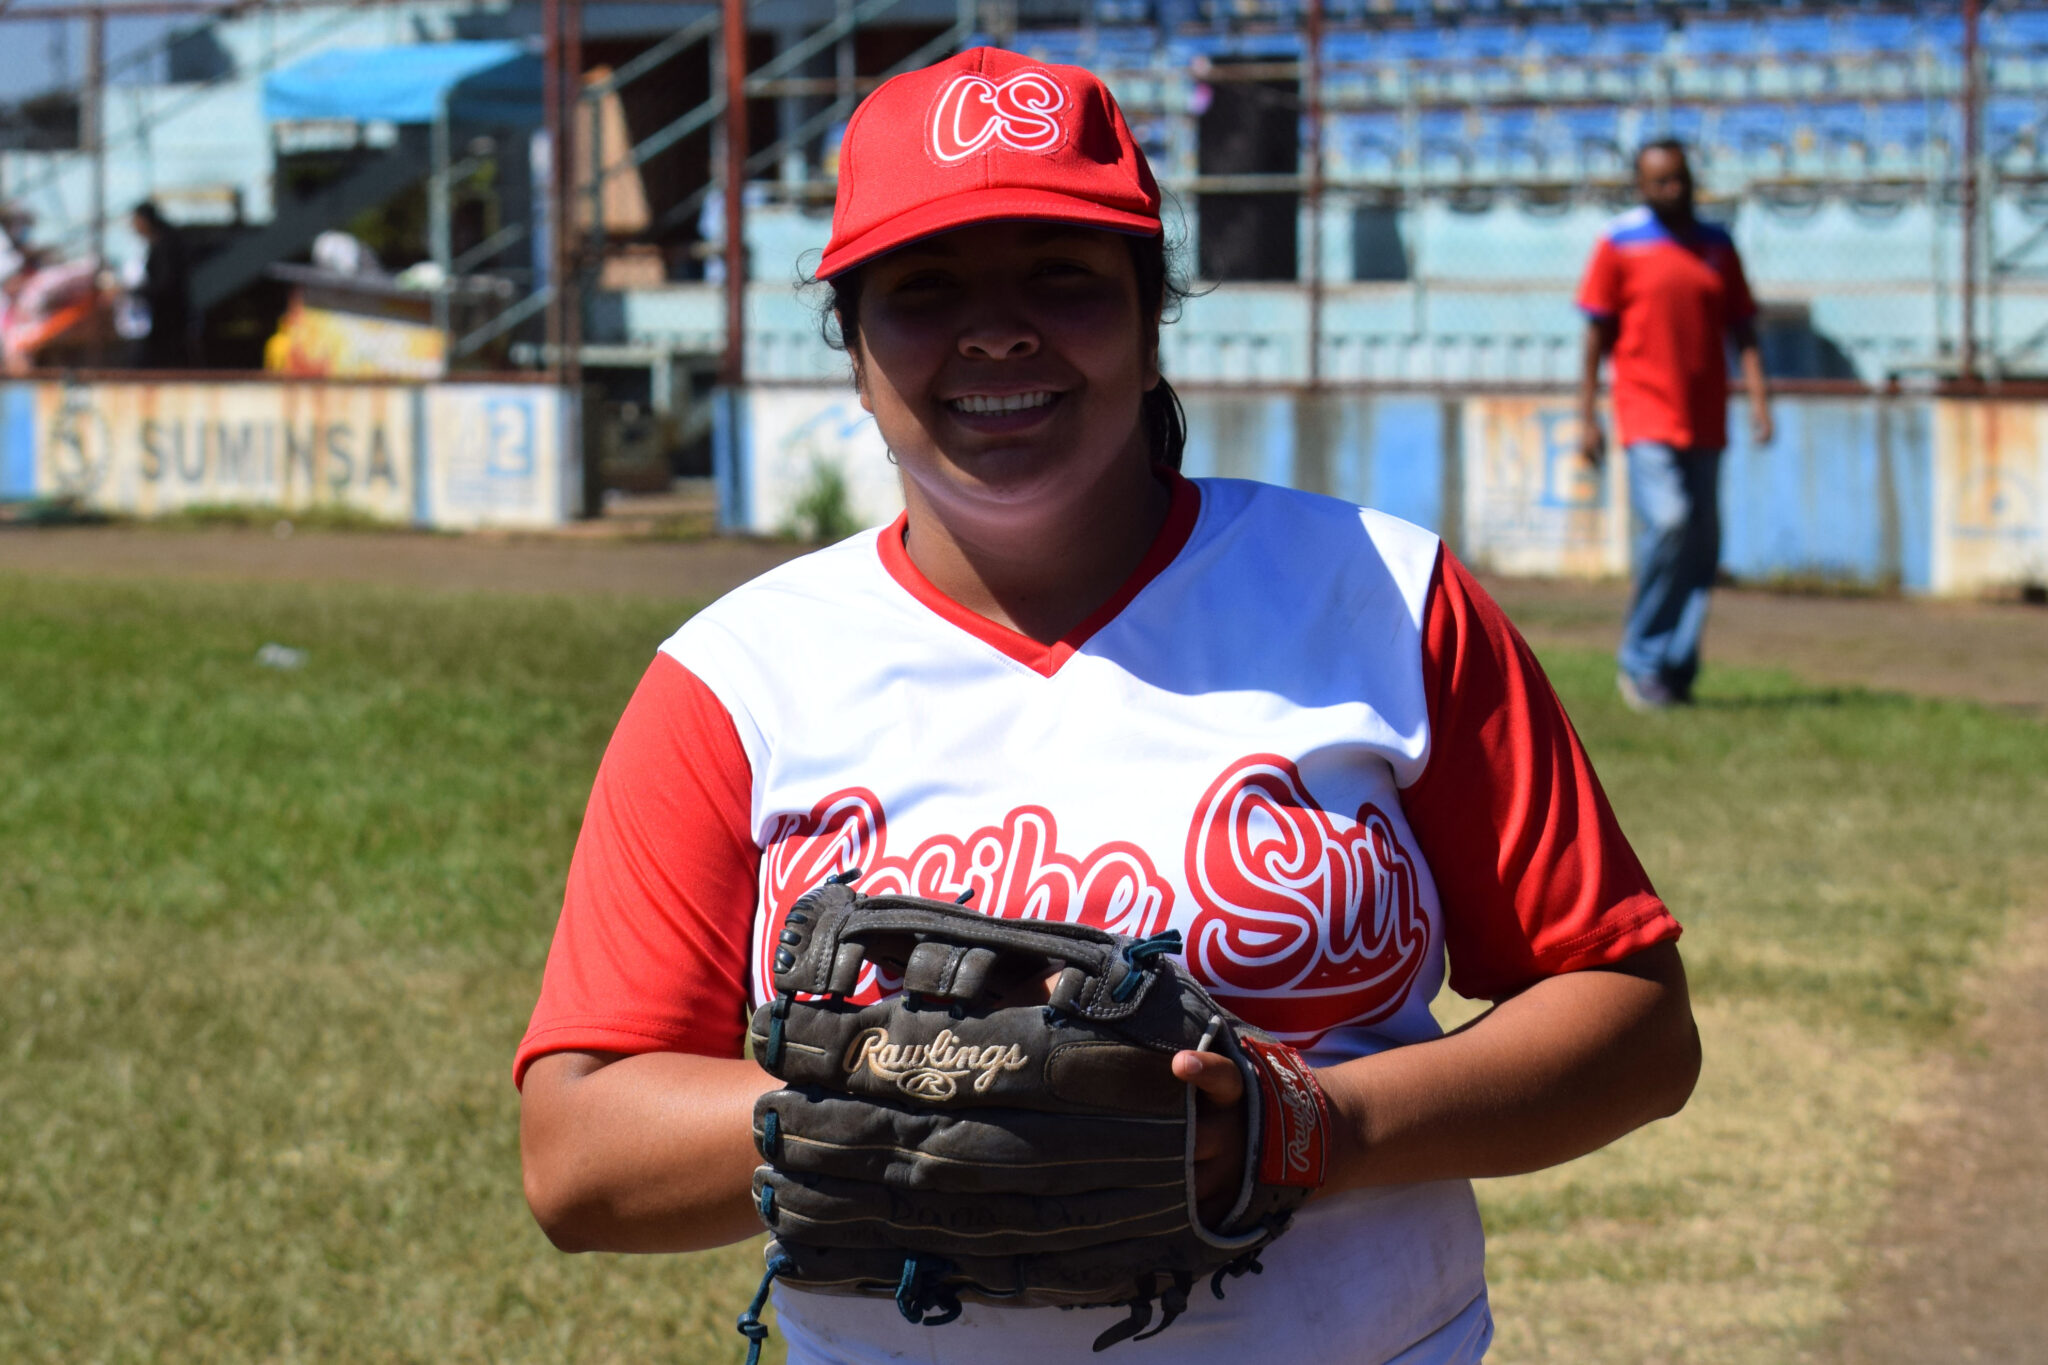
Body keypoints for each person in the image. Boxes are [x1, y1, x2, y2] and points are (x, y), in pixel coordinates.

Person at [517, 47, 1701, 1364]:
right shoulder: (736, 677)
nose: (999, 328)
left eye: (1063, 275)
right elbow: (578, 1154)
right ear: (854, 351)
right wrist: (887, 1103)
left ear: (1151, 319)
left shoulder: (1377, 594)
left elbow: (1634, 1022)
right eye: (925, 289)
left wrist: (1306, 1125)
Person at [1575, 139, 1772, 711]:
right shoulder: (1619, 243)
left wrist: (1759, 400)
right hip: (1644, 411)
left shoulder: (1717, 245)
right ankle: (1639, 661)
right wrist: (1587, 416)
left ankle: (1676, 668)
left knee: (1703, 545)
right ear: (1641, 186)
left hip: (1706, 417)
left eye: (1680, 178)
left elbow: (1743, 329)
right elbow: (1595, 337)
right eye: (1660, 181)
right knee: (1669, 522)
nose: (1673, 190)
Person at [117, 201, 193, 369]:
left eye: (136, 221)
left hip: (168, 323)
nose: (134, 227)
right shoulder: (159, 243)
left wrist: (134, 291)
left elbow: (166, 285)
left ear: (144, 221)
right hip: (162, 321)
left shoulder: (166, 245)